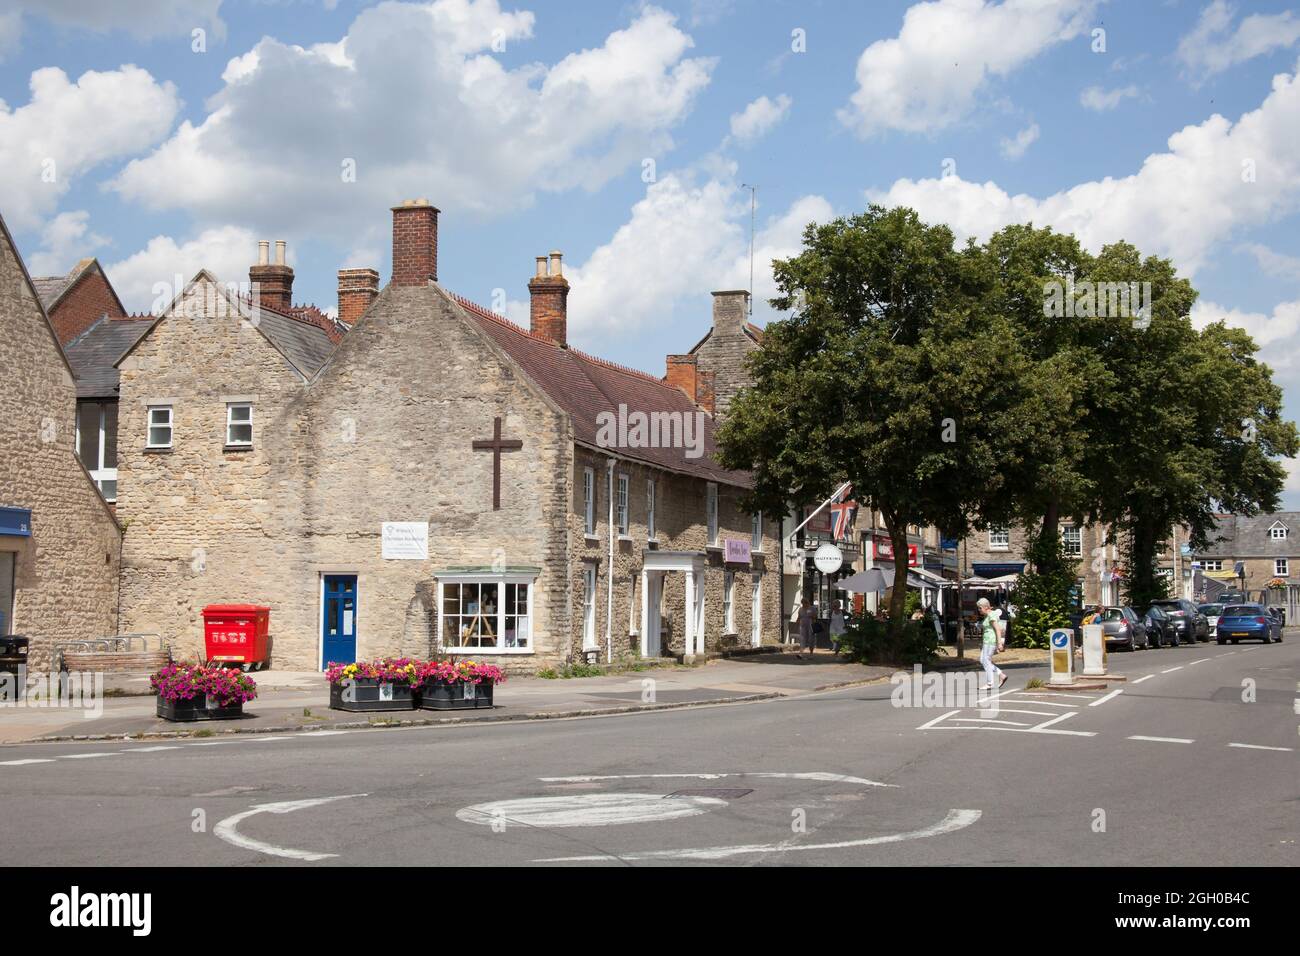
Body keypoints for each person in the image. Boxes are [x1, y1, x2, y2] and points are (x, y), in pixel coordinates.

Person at [976, 597, 1007, 692]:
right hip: (987, 641)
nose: (979, 610)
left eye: (980, 608)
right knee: (983, 660)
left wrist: (999, 643)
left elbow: (997, 629)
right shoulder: (987, 616)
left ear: (986, 607)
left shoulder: (991, 615)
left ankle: (990, 683)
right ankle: (1001, 675)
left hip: (990, 641)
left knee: (986, 660)